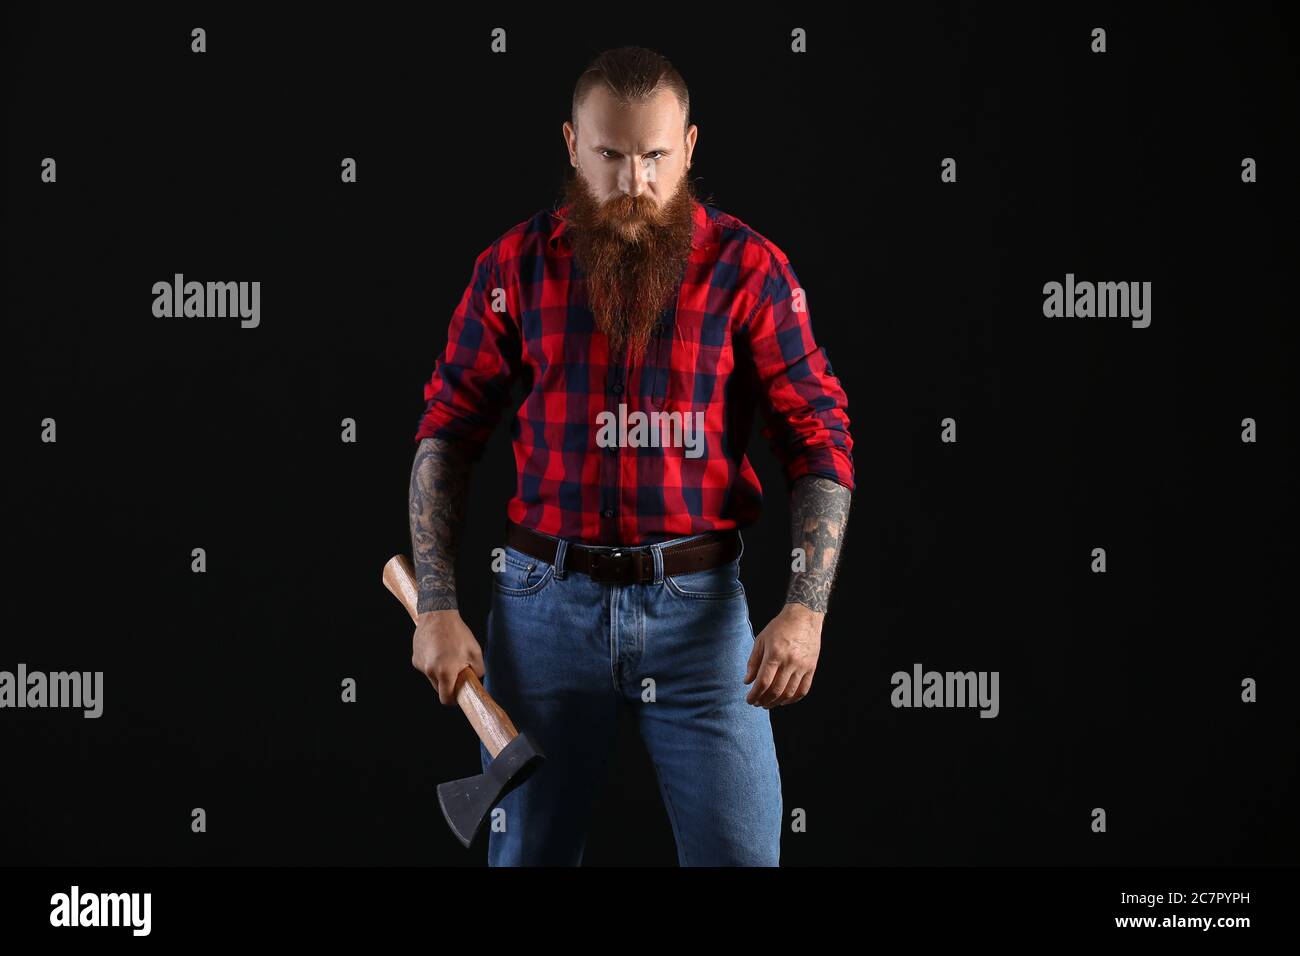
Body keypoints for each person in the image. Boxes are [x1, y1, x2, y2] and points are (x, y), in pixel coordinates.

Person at [407, 46, 854, 866]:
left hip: (702, 614)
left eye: (654, 157)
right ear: (573, 146)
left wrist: (806, 610)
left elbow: (818, 435)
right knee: (528, 859)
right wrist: (436, 603)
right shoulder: (512, 268)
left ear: (688, 147)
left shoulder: (751, 271)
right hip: (541, 613)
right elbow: (449, 430)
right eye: (611, 156)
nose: (634, 183)